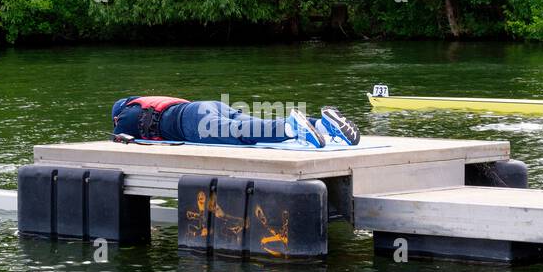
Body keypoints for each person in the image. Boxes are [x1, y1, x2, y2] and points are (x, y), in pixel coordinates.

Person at [110, 96, 360, 147]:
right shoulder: (145, 101)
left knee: (242, 133)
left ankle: (291, 128)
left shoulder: (125, 116)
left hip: (191, 123)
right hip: (205, 106)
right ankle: (319, 124)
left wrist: (117, 135)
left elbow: (121, 137)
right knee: (253, 124)